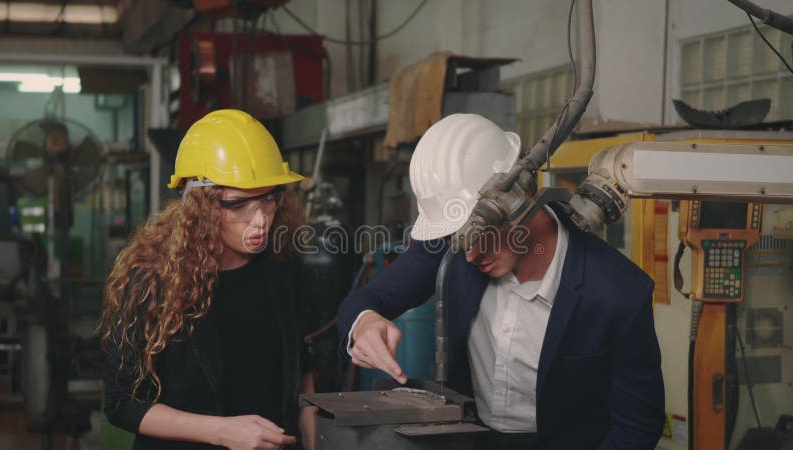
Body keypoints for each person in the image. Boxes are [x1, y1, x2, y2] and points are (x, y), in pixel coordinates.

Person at [337, 114, 665, 450]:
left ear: (519, 197)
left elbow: (637, 429)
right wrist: (364, 324)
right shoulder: (451, 250)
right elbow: (370, 298)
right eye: (459, 236)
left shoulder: (618, 292)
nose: (468, 255)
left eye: (480, 232)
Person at [100, 109, 317, 450]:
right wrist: (222, 432)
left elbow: (302, 374)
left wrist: (312, 437)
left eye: (268, 199)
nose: (260, 219)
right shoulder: (154, 282)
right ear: (199, 204)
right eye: (238, 205)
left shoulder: (282, 267)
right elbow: (121, 402)